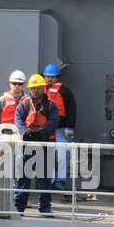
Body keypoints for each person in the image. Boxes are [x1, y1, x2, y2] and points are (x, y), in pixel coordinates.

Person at [14, 74, 59, 216]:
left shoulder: (51, 105)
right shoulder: (24, 104)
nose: (36, 91)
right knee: (23, 177)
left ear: (43, 88)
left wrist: (38, 133)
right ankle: (18, 208)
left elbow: (53, 123)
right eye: (33, 88)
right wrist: (27, 132)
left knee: (45, 178)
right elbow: (19, 121)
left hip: (46, 144)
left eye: (38, 88)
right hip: (28, 145)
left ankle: (45, 208)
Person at [0, 70, 27, 211]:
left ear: (24, 85)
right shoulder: (1, 100)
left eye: (20, 84)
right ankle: (1, 198)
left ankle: (17, 197)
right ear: (10, 84)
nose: (17, 86)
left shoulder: (28, 101)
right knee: (2, 169)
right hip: (4, 138)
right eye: (14, 83)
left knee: (20, 169)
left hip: (20, 139)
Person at [43, 62, 78, 196]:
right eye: (47, 77)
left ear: (57, 77)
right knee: (49, 156)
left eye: (52, 77)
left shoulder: (65, 92)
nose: (50, 79)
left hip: (61, 129)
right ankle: (49, 181)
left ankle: (60, 182)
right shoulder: (41, 91)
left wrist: (70, 127)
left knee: (63, 156)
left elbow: (71, 109)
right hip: (46, 130)